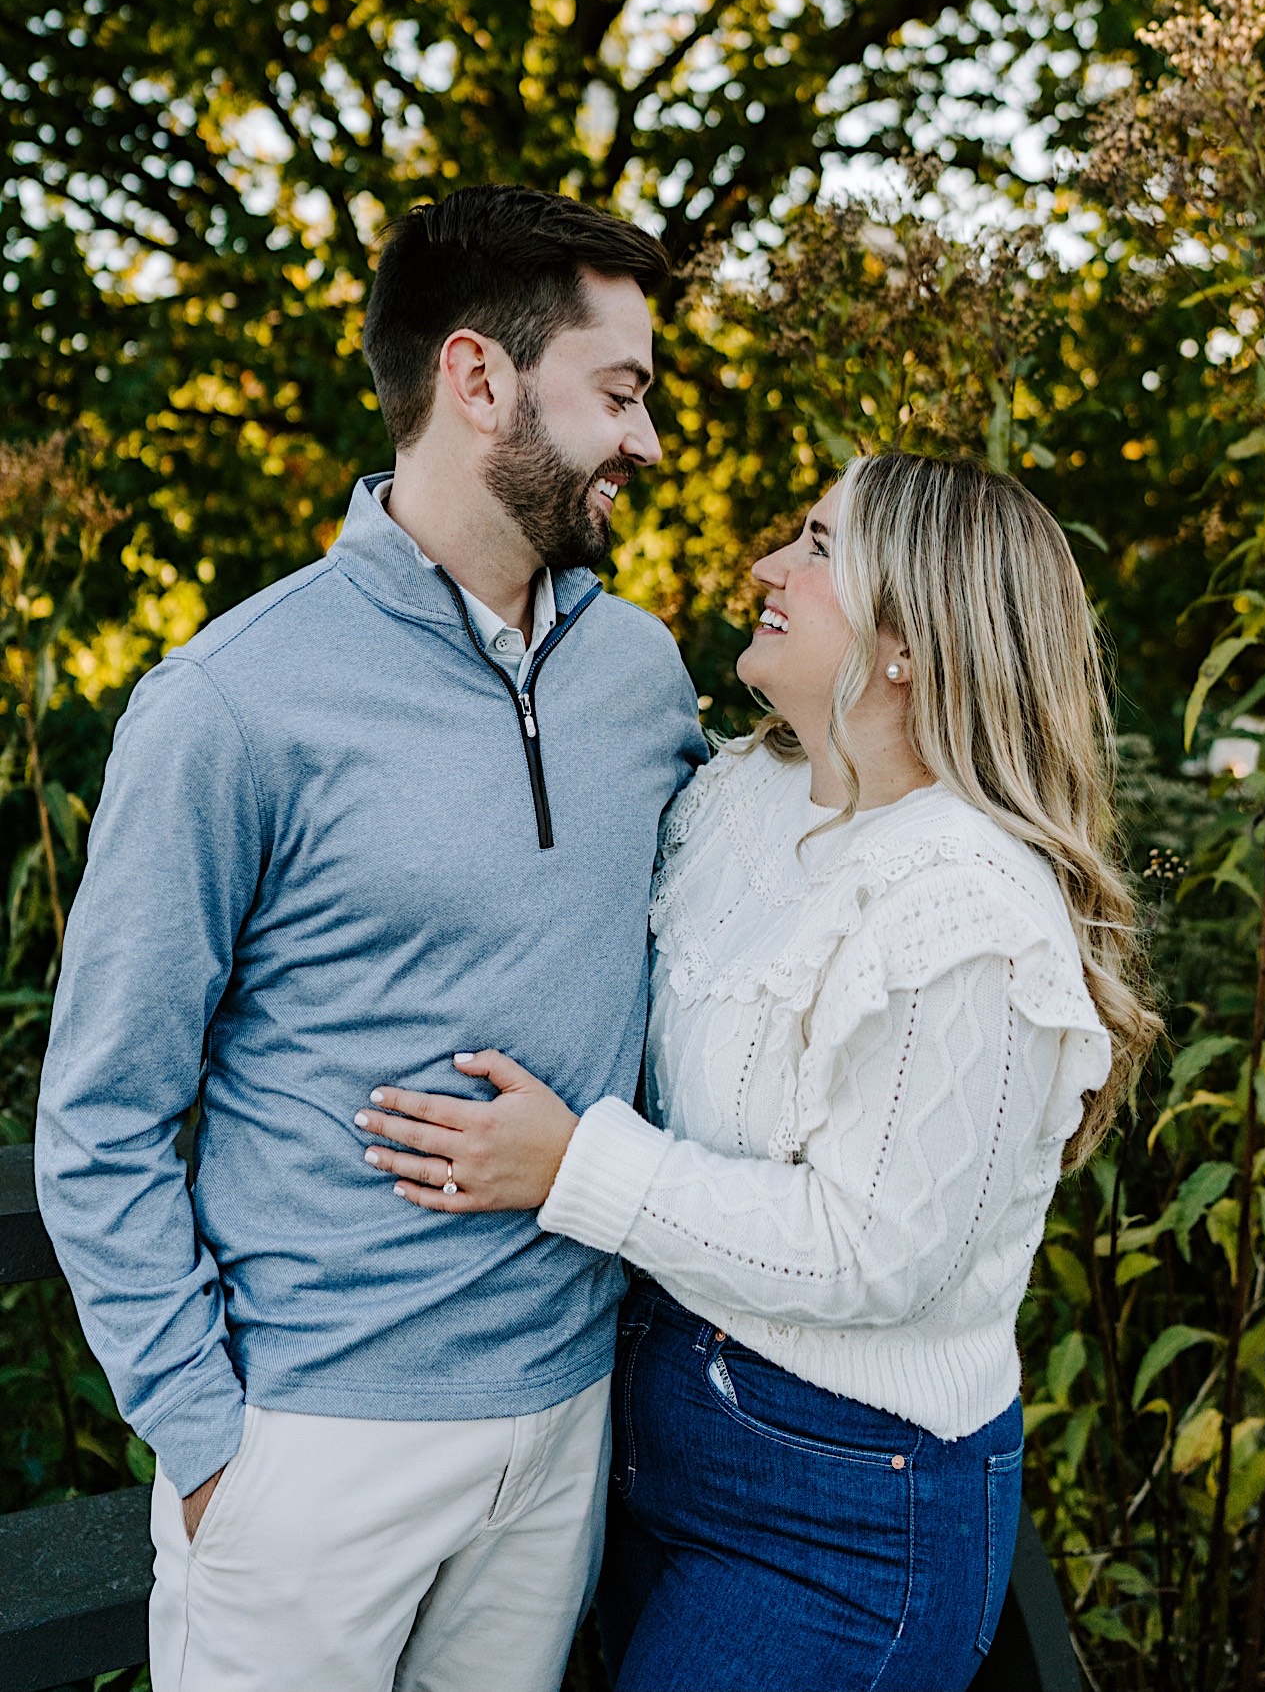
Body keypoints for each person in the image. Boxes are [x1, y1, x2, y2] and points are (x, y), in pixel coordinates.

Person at [35, 185, 706, 1692]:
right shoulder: (232, 702)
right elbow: (99, 1113)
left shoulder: (645, 673)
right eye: (618, 391)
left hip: (564, 1423)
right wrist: (213, 1446)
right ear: (479, 379)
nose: (646, 439)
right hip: (311, 1448)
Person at [359, 450, 1163, 1692]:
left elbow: (873, 1252)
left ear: (911, 637)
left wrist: (575, 1167)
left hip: (846, 1507)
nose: (767, 567)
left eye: (821, 546)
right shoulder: (739, 796)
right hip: (650, 1426)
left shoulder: (967, 910)